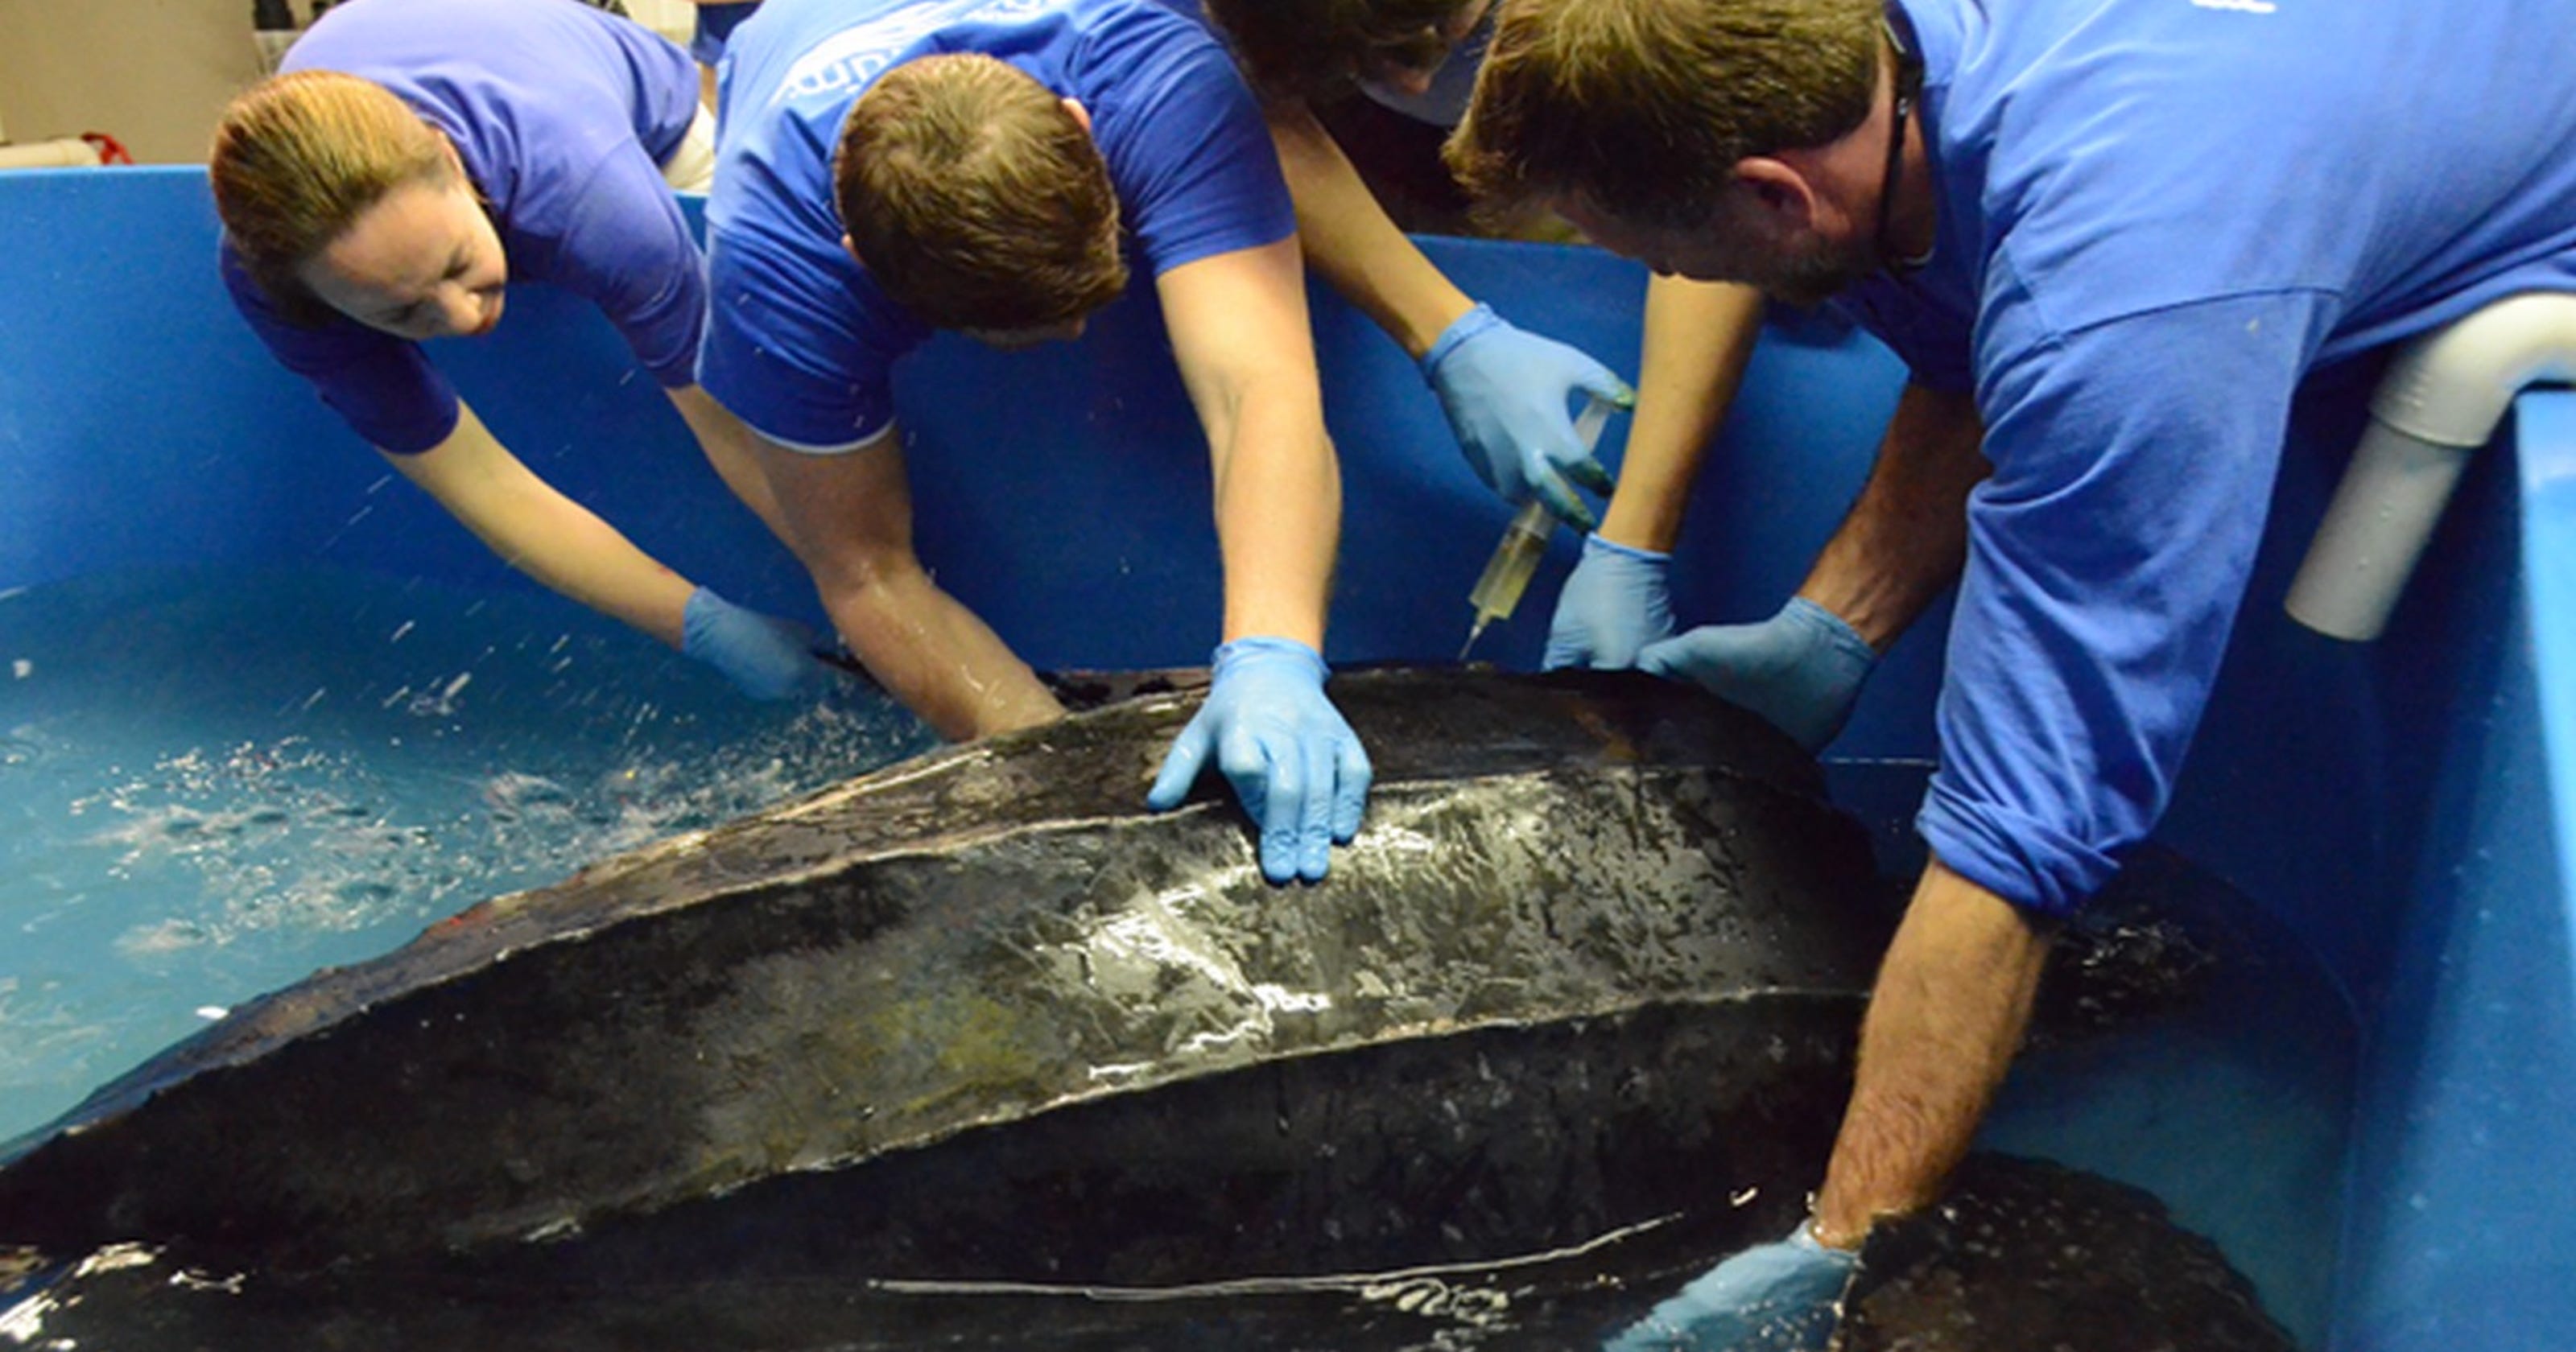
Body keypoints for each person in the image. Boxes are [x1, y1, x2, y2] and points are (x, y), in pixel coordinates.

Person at [1447, 0, 2576, 1342]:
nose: (1674, 287)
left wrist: (1842, 1248)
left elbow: (2017, 856)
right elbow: (1974, 320)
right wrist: (1839, 625)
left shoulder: (2129, 302)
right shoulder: (1883, 67)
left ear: (1774, 194)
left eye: (1663, 259)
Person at [700, 0, 1370, 884]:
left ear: (1079, 126)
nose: (1075, 335)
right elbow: (865, 571)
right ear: (859, 258)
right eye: (1028, 329)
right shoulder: (772, 257)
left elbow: (1261, 390)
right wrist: (1065, 770)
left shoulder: (1152, 70)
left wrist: (1273, 650)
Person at [211, 0, 828, 703]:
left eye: (454, 265)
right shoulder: (270, 283)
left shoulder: (595, 199)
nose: (468, 316)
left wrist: (860, 584)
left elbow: (739, 431)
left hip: (651, 135)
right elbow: (483, 485)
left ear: (450, 160)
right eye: (403, 310)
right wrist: (700, 626)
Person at [1198, 0, 1769, 670]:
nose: (1415, 82)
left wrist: (1632, 542)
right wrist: (1446, 330)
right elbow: (1209, 93)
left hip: (1592, 111)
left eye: (1435, 31)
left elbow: (1705, 211)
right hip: (1329, 137)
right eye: (1381, 53)